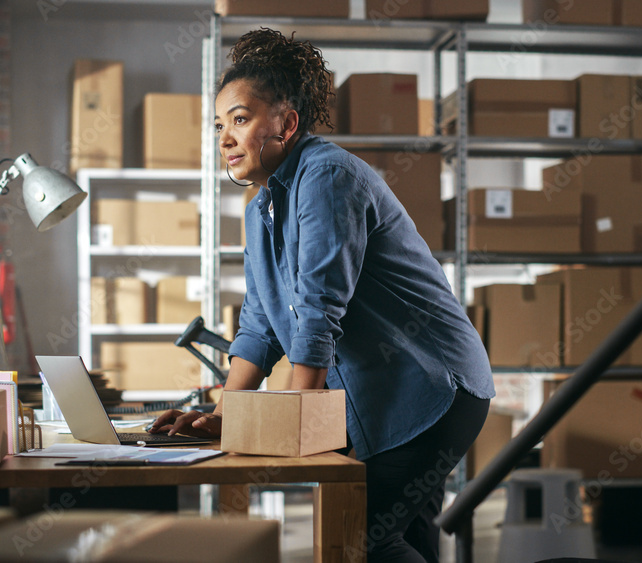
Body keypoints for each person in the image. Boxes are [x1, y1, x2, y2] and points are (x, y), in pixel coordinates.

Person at [151, 27, 494, 562]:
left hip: (429, 387)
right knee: (404, 536)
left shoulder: (325, 176)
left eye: (239, 120)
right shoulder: (260, 210)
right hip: (391, 395)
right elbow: (261, 324)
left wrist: (292, 420)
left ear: (286, 123)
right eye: (219, 124)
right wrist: (225, 414)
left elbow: (318, 311)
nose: (224, 138)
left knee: (363, 540)